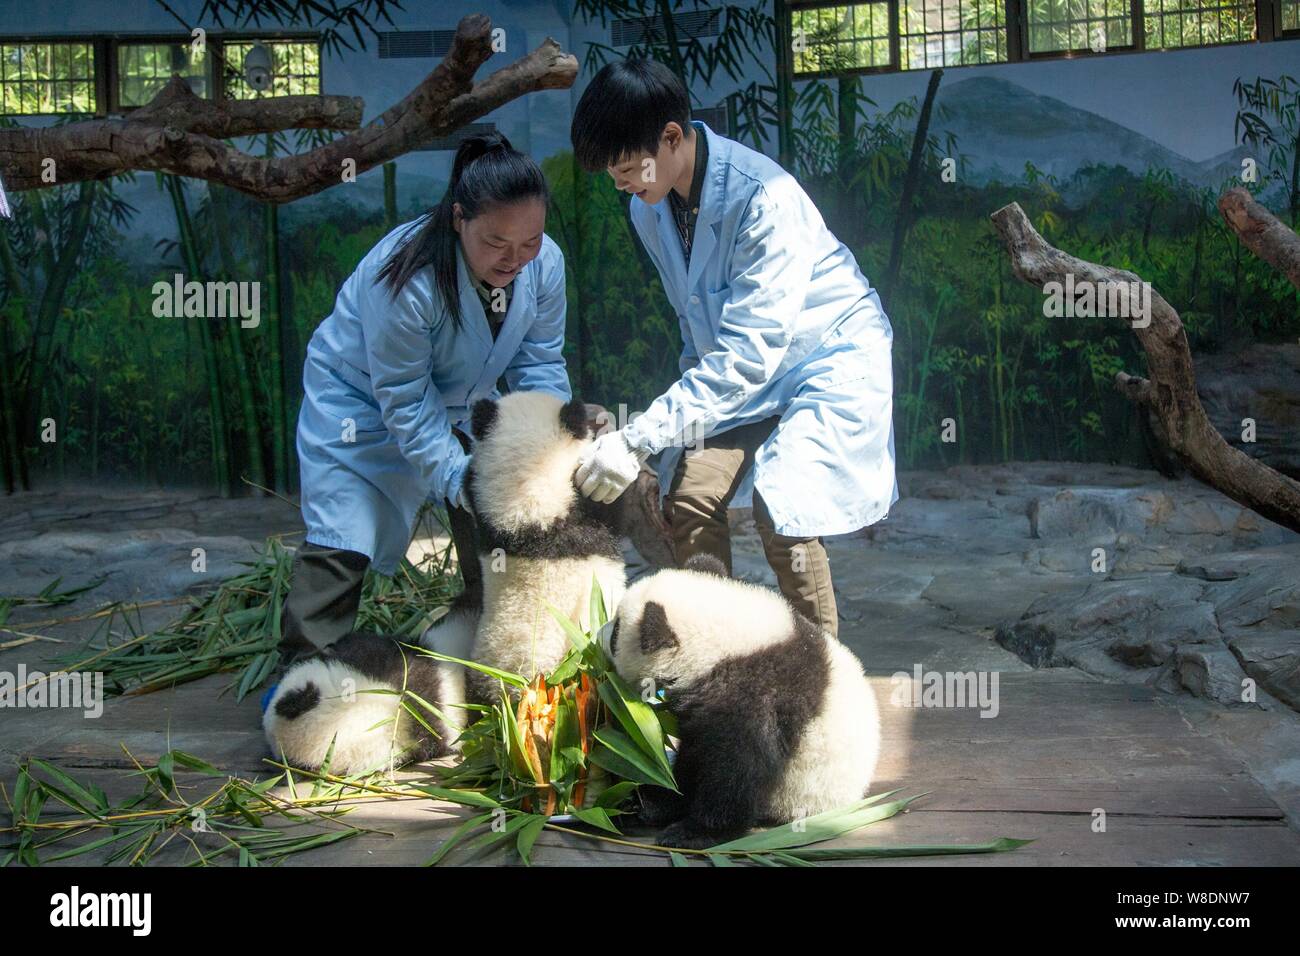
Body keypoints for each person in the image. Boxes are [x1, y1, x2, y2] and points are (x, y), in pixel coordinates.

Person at [569, 59, 899, 640]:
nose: (620, 183)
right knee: (691, 499)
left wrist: (640, 435)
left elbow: (749, 354)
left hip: (827, 355)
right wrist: (668, 439)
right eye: (612, 174)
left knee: (784, 507)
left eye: (625, 168)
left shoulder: (763, 198)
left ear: (672, 136)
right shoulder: (649, 207)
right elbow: (699, 326)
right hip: (739, 371)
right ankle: (713, 658)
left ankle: (820, 680)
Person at [280, 132, 573, 664]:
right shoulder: (405, 280)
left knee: (494, 505)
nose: (516, 259)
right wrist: (459, 475)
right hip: (361, 403)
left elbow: (540, 362)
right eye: (496, 243)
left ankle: (490, 648)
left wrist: (548, 444)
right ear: (459, 217)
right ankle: (302, 676)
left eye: (529, 241)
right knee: (346, 531)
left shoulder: (544, 264)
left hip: (463, 399)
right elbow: (407, 402)